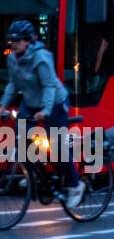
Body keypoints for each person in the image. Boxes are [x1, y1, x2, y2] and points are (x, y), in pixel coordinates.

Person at [1, 20, 84, 206]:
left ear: (28, 41)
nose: (13, 44)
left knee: (57, 146)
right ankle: (34, 175)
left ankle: (75, 183)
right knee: (21, 140)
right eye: (11, 41)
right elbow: (13, 84)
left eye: (17, 40)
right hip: (30, 101)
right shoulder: (12, 58)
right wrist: (2, 105)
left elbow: (49, 87)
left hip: (54, 102)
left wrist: (45, 111)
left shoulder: (41, 57)